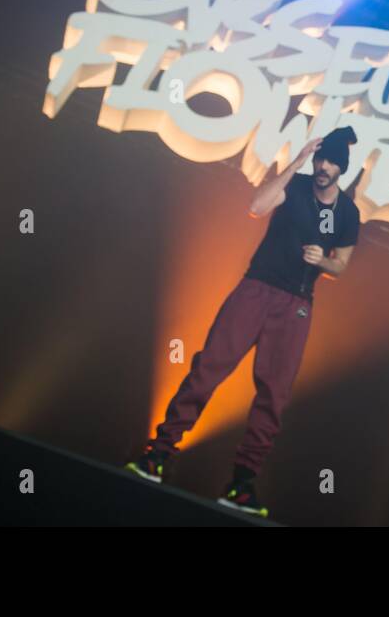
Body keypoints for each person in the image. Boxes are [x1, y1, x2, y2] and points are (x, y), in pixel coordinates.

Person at [126, 126, 361, 515]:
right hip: (257, 288)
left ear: (343, 169)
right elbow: (258, 205)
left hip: (297, 304)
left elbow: (342, 265)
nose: (324, 167)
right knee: (210, 367)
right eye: (321, 159)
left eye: (332, 162)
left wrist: (324, 261)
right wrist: (296, 163)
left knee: (274, 393)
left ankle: (241, 485)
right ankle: (160, 452)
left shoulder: (348, 214)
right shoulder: (297, 184)